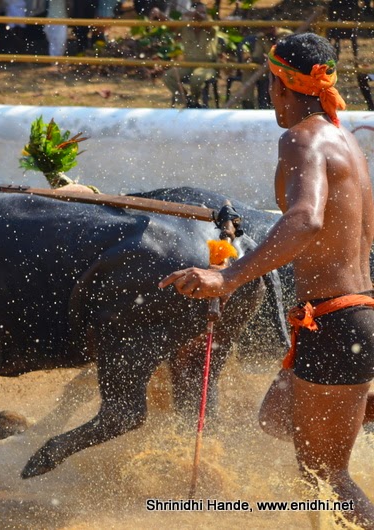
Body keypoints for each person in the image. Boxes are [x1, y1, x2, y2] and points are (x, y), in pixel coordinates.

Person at [159, 32, 374, 528]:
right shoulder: (347, 143)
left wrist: (228, 276)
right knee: (275, 418)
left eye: (271, 86)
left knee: (326, 475)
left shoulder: (302, 138)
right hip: (348, 319)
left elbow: (305, 219)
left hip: (337, 324)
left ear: (280, 85)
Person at [151, 2, 220, 108]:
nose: (201, 15)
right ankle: (187, 102)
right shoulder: (186, 26)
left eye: (203, 13)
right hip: (188, 65)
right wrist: (160, 14)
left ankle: (195, 101)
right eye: (198, 12)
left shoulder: (211, 24)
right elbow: (171, 24)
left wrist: (196, 15)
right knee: (168, 76)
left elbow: (207, 26)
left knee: (196, 78)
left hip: (208, 66)